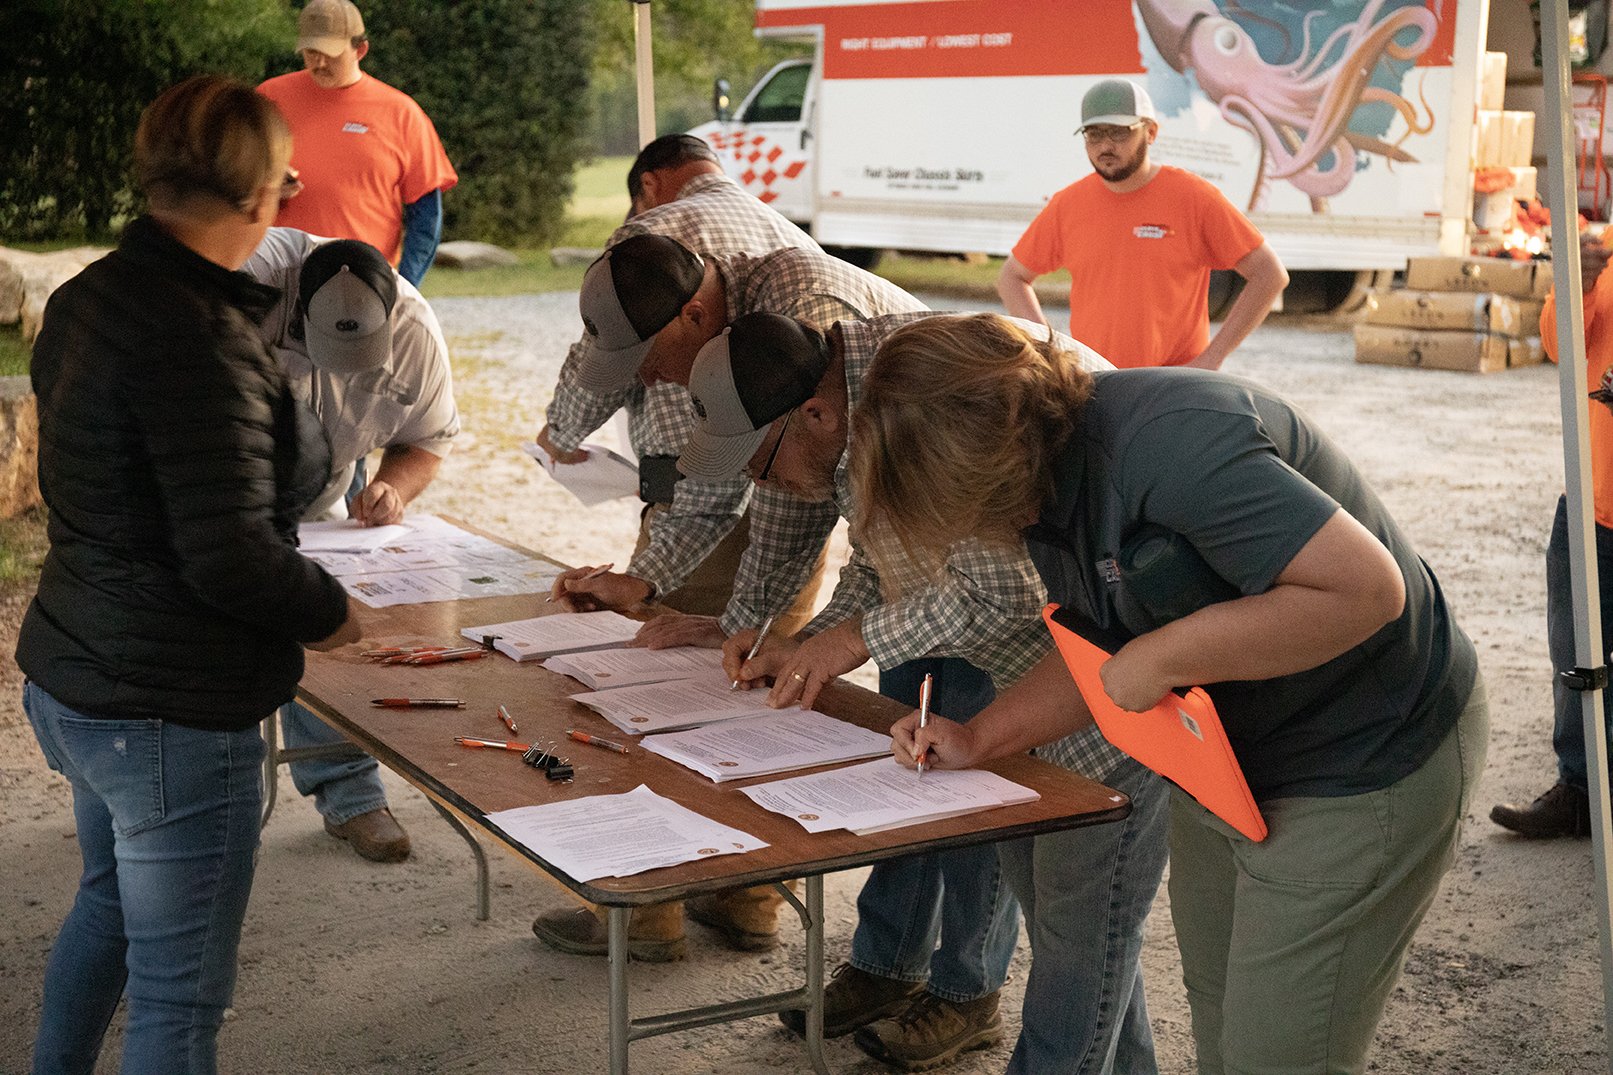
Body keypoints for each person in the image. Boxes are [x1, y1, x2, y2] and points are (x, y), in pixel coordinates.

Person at [856, 314, 1487, 1075]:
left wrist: (1160, 656)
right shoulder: (1046, 479)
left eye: (965, 511)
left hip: (1363, 753)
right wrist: (979, 736)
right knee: (1220, 1021)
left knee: (1275, 1056)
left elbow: (1367, 590)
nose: (972, 532)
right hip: (1227, 764)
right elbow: (1100, 659)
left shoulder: (1174, 440)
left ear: (992, 458)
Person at [678, 311, 1168, 1073]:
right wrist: (811, 643)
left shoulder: (924, 421)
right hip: (1034, 701)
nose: (758, 484)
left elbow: (1003, 591)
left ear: (817, 414)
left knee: (1080, 931)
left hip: (1103, 699)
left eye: (760, 461)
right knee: (1074, 927)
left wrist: (854, 638)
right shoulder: (856, 426)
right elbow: (877, 566)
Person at [16, 75, 360, 1075]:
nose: (287, 196)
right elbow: (230, 557)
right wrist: (340, 614)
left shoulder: (88, 297)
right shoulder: (199, 336)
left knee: (108, 908)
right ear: (256, 194)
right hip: (167, 706)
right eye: (285, 180)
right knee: (179, 1001)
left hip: (81, 667)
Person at [531, 227, 923, 965]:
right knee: (760, 676)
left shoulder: (800, 333)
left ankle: (734, 897)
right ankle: (737, 898)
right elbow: (739, 481)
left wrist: (822, 638)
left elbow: (792, 501)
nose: (649, 379)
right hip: (880, 512)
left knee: (907, 741)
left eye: (648, 359)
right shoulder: (749, 363)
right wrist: (664, 587)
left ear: (693, 317)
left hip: (965, 539)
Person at [537, 134, 826, 637]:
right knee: (763, 654)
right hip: (770, 498)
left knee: (680, 664)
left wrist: (560, 433)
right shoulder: (788, 233)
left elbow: (609, 353)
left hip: (715, 501)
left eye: (652, 363)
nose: (649, 377)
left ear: (649, 186)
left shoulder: (645, 243)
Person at [243, 227, 460, 862]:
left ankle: (350, 792)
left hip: (321, 498)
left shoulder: (416, 331)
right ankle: (205, 795)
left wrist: (393, 487)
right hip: (218, 485)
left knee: (330, 627)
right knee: (219, 634)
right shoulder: (247, 287)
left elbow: (428, 438)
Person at [996, 78, 1288, 370]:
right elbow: (1012, 277)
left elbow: (1269, 274)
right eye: (1094, 134)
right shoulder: (1067, 204)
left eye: (1119, 132)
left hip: (1171, 383)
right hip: (1096, 380)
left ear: (1150, 132)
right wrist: (1048, 351)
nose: (1105, 146)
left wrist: (1212, 358)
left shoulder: (1193, 198)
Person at [1492, 232, 1613, 837]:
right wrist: (1578, 285)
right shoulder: (1604, 251)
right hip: (1592, 502)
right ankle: (1580, 789)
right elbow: (1561, 347)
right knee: (1575, 654)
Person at [258, 0, 457, 286]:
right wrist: (266, 184)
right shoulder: (269, 99)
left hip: (362, 282)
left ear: (360, 49)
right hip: (277, 278)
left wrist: (404, 285)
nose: (319, 63)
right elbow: (227, 184)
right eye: (311, 53)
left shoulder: (401, 113)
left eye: (330, 54)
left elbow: (426, 216)